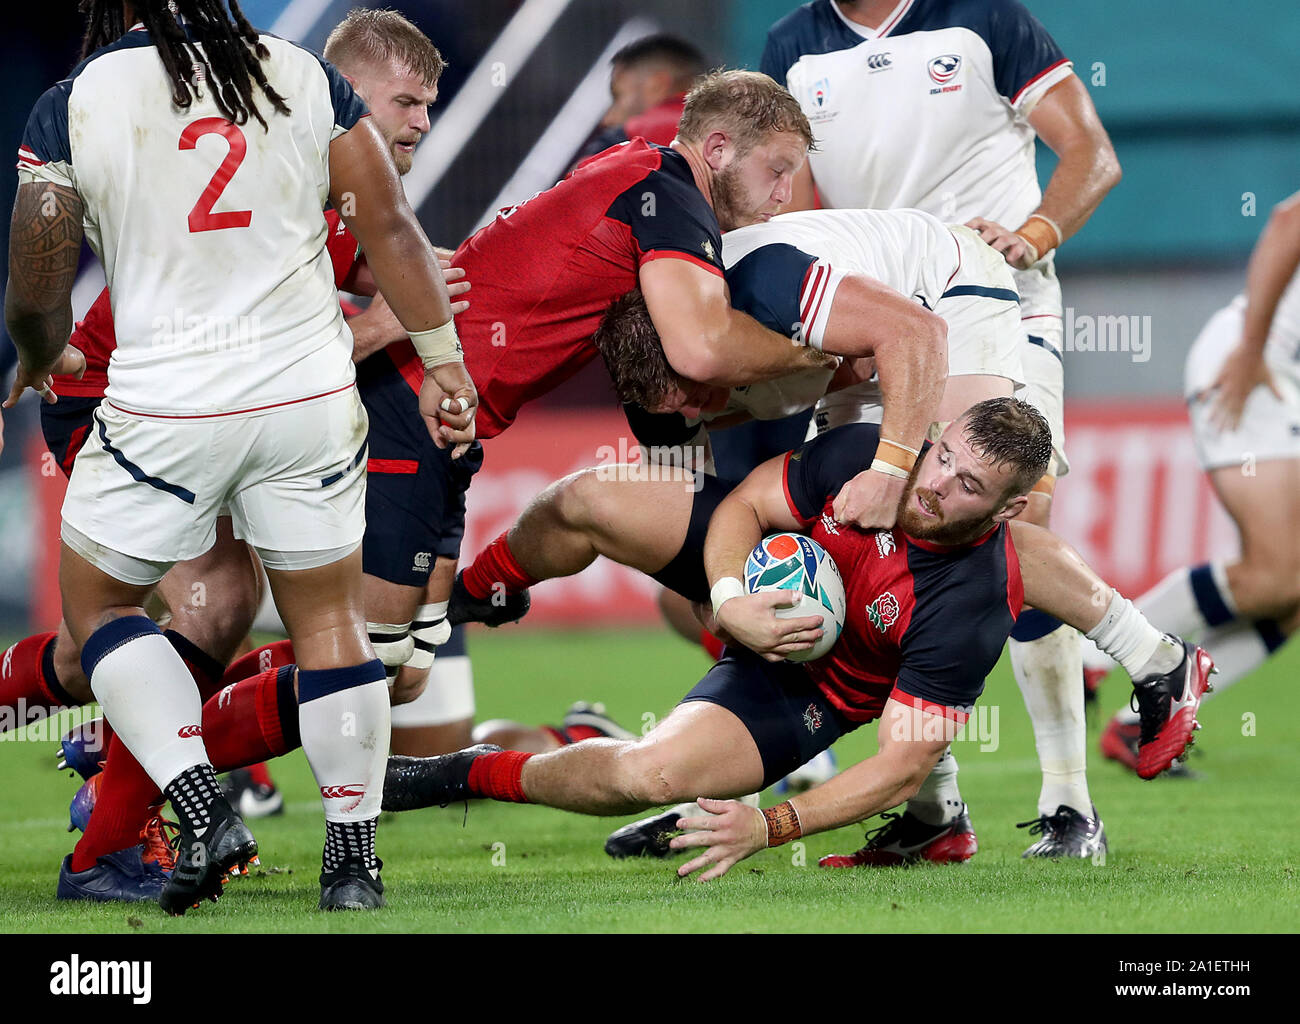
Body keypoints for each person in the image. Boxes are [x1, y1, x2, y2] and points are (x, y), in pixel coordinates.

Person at [5, 0, 474, 913]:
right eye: (409, 103)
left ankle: (196, 807)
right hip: (300, 402)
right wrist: (444, 358)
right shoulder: (302, 80)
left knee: (102, 615)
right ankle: (352, 868)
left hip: (166, 402)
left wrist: (33, 350)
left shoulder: (76, 98)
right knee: (322, 623)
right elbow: (394, 230)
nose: (420, 121)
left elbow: (36, 271)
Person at [380, 399, 1211, 880]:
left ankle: (453, 773)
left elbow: (899, 765)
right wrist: (731, 598)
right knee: (588, 496)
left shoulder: (968, 606)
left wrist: (769, 827)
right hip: (754, 586)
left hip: (811, 689)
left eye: (967, 485)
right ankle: (462, 601)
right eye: (943, 457)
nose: (935, 486)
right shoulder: (873, 459)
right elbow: (746, 504)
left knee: (645, 775)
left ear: (1006, 509)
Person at [762, 0, 1122, 854]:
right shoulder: (791, 46)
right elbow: (789, 203)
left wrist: (1033, 234)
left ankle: (1069, 801)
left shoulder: (983, 19)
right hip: (878, 326)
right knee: (862, 539)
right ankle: (935, 811)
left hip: (999, 303)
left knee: (1014, 529)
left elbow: (1092, 154)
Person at [1096, 191, 1300, 771]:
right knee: (1278, 573)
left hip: (1282, 379)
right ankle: (1090, 652)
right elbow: (1290, 220)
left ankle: (1144, 722)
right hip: (1254, 365)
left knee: (1292, 591)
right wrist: (1252, 349)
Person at [571, 33, 707, 167]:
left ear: (656, 85)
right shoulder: (717, 137)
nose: (608, 119)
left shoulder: (627, 139)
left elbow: (576, 178)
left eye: (618, 96)